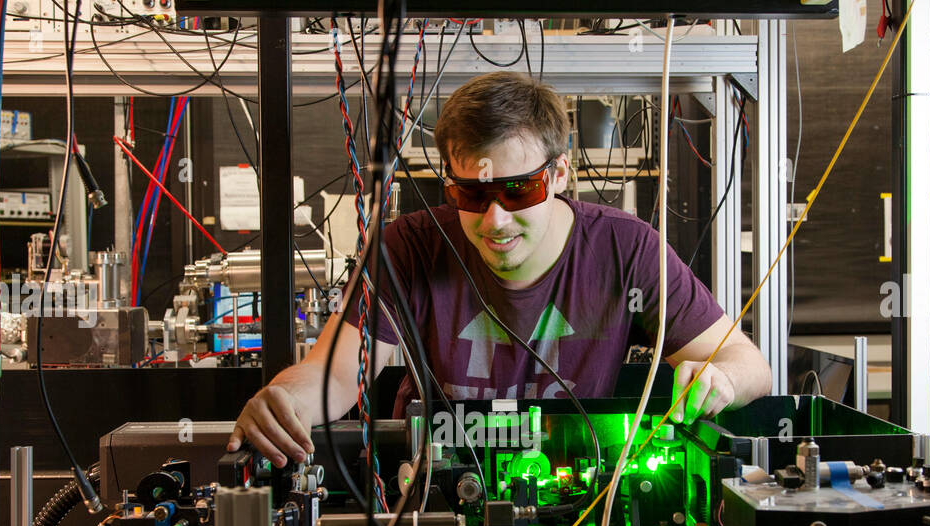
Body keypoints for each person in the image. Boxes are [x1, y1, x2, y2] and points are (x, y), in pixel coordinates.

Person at [228, 71, 771, 468]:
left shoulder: (624, 249)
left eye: (517, 190)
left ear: (559, 173)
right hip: (441, 488)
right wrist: (284, 399)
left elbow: (749, 364)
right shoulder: (411, 246)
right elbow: (336, 376)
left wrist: (718, 378)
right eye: (472, 192)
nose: (495, 219)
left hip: (579, 496)